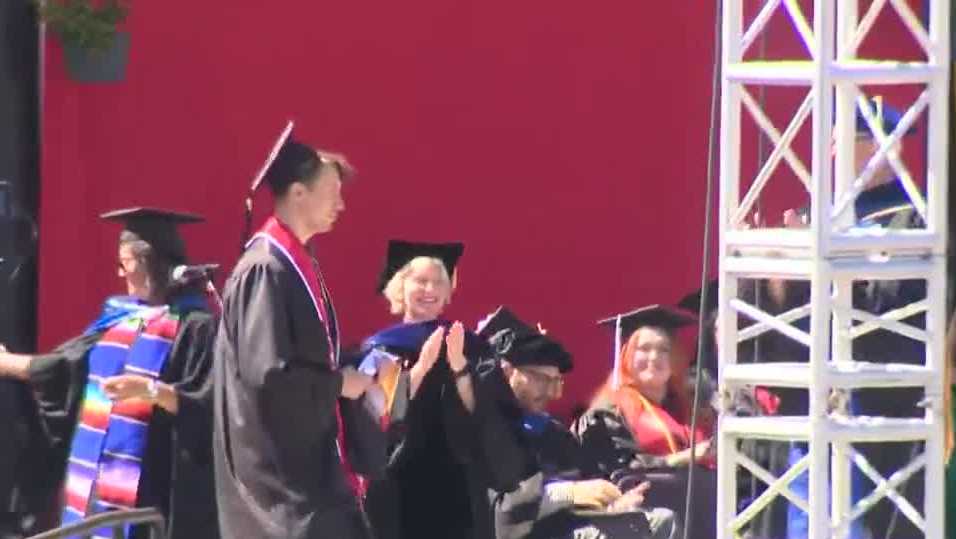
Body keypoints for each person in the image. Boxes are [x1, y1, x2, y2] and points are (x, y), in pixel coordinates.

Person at [0, 207, 218, 538]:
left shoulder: (196, 327)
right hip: (95, 490)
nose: (119, 272)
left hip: (152, 492)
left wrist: (151, 391)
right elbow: (62, 368)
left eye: (125, 263)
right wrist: (7, 363)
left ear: (148, 263)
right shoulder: (119, 318)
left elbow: (209, 409)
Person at [213, 126, 377, 539]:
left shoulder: (295, 262)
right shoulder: (265, 268)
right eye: (332, 191)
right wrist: (341, 383)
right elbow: (268, 376)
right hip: (280, 488)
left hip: (305, 476)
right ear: (299, 193)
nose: (341, 205)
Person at [358, 240, 524, 539]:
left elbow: (490, 415)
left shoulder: (470, 346)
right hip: (400, 484)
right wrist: (420, 369)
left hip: (460, 487)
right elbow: (375, 417)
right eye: (420, 281)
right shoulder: (382, 347)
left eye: (438, 282)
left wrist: (459, 365)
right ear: (400, 287)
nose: (430, 290)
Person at [479, 306, 678, 539]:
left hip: (565, 530)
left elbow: (582, 494)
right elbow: (498, 511)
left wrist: (612, 505)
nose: (553, 394)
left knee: (659, 521)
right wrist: (570, 493)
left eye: (557, 382)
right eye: (542, 379)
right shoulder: (486, 428)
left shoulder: (553, 433)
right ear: (507, 371)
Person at [573, 305, 717, 539]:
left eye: (664, 350)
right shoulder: (610, 410)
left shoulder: (689, 408)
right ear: (626, 355)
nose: (654, 357)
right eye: (644, 349)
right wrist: (687, 457)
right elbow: (621, 469)